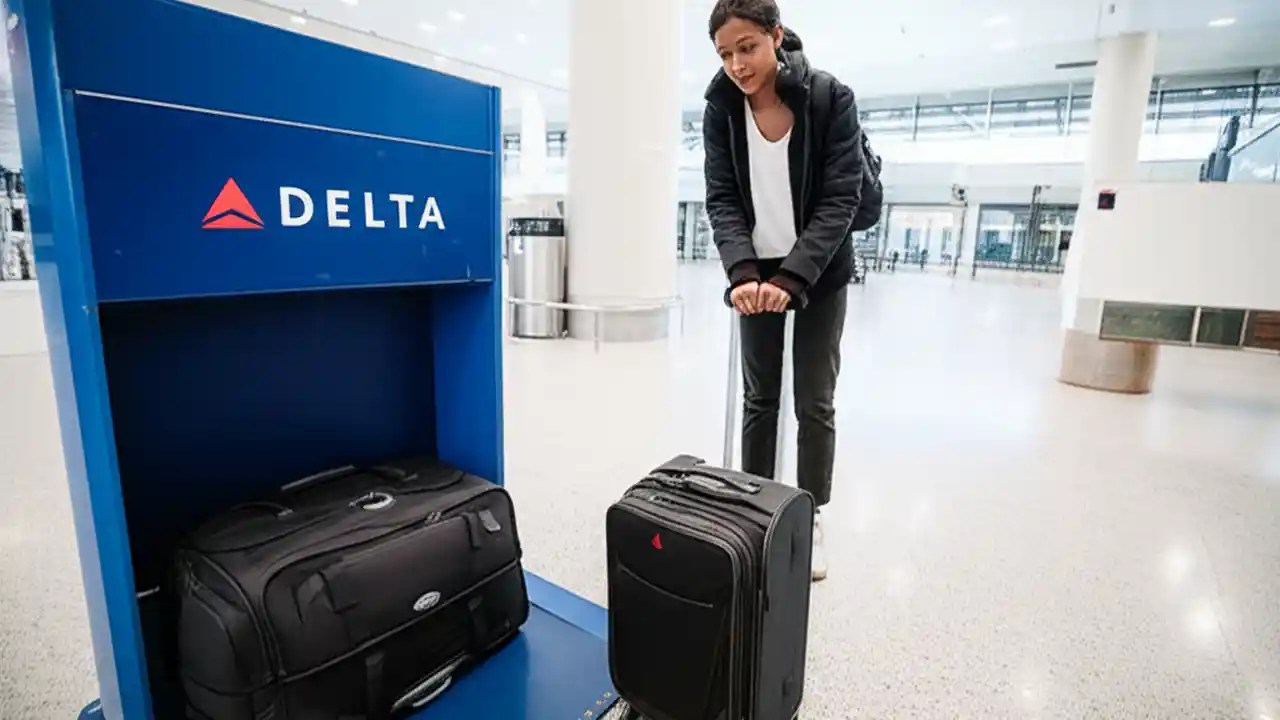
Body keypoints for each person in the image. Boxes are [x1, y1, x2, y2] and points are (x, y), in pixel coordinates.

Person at [703, 0, 865, 581]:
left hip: (818, 269)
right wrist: (744, 273)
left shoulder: (828, 97)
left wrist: (793, 276)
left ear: (776, 36)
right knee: (759, 397)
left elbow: (840, 198)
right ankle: (755, 504)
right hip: (754, 271)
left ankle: (811, 515)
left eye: (747, 47)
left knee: (814, 401)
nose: (737, 65)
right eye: (725, 54)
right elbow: (721, 199)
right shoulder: (720, 109)